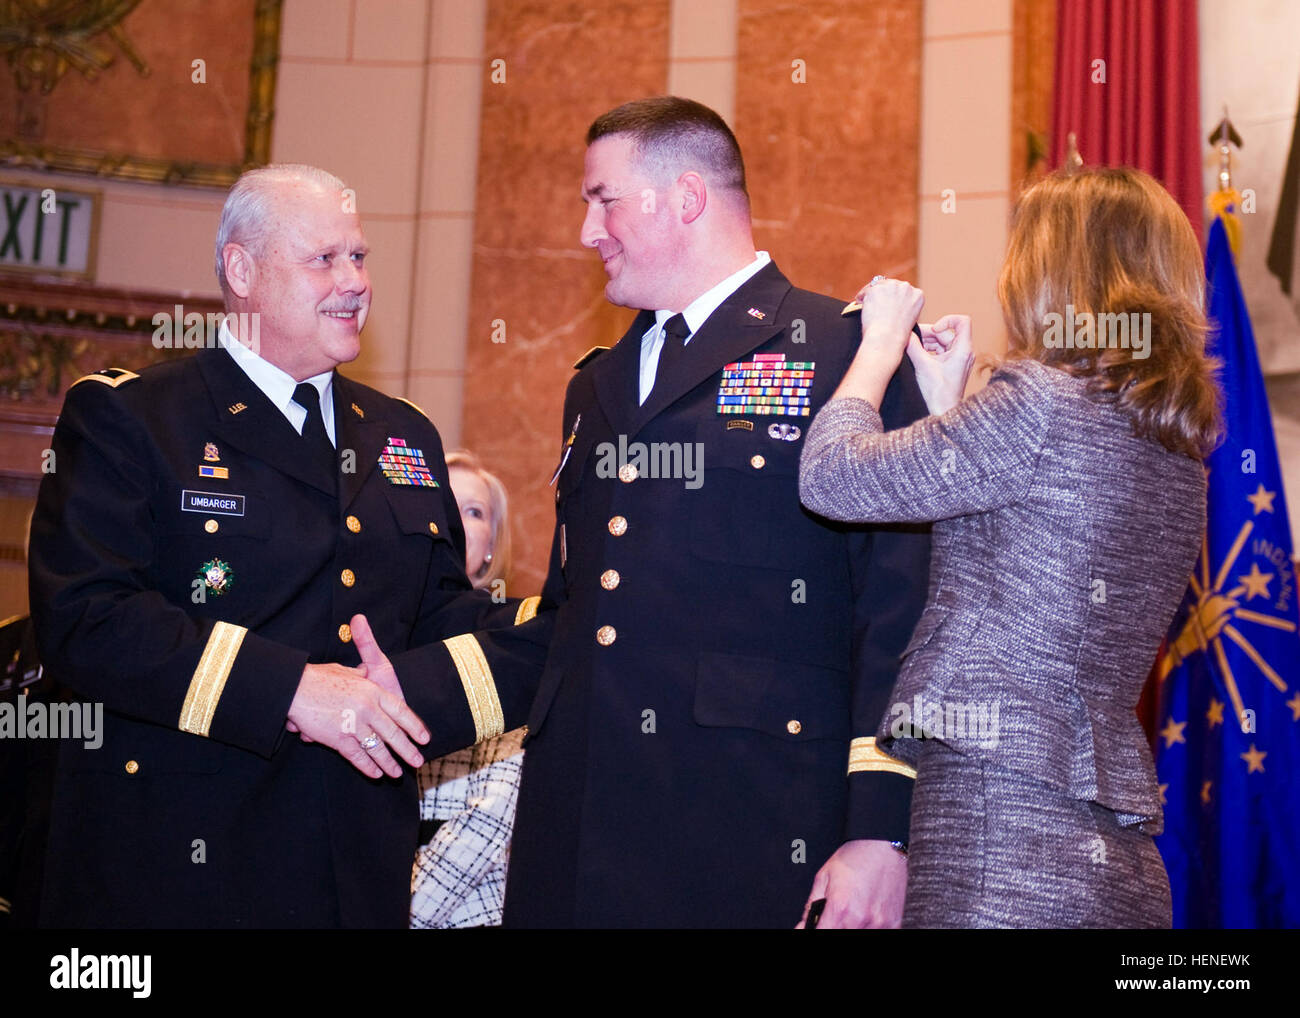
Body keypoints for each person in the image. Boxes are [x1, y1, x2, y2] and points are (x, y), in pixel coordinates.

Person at [356, 96, 931, 928]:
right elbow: (571, 621)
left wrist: (881, 832)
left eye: (603, 199)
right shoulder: (597, 382)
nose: (587, 230)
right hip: (578, 840)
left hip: (753, 841)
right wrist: (409, 690)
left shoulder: (845, 349)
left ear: (687, 197)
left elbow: (901, 609)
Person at [26, 164, 543, 928]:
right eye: (324, 259)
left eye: (360, 257)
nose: (354, 281)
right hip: (177, 869)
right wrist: (294, 690)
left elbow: (438, 615)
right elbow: (86, 619)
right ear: (242, 270)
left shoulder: (403, 434)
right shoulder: (136, 417)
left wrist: (560, 626)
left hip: (351, 869)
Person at [798, 166, 1220, 927]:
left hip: (1001, 816)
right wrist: (948, 404)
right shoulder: (1177, 452)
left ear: (1053, 269)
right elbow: (1026, 532)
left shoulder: (1037, 403)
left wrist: (880, 346)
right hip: (1106, 843)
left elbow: (831, 477)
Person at [411, 450, 526, 928]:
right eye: (440, 505)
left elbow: (493, 814)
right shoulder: (367, 628)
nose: (453, 523)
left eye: (473, 512)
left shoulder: (517, 637)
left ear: (493, 543)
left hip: (466, 912)